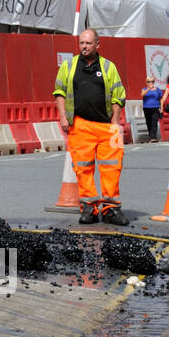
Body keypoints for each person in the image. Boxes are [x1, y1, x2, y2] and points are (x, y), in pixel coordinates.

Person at [53, 29, 127, 225]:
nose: (84, 47)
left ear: (97, 45)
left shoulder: (109, 67)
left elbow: (118, 95)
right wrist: (62, 117)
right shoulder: (68, 66)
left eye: (88, 43)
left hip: (107, 125)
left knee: (112, 167)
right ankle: (89, 208)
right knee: (82, 168)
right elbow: (59, 92)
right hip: (80, 125)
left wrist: (115, 125)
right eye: (81, 43)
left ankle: (111, 209)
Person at [140, 76, 162, 142]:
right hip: (146, 107)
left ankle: (153, 138)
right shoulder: (144, 89)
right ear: (146, 83)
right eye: (149, 81)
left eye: (152, 81)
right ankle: (151, 136)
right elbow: (142, 95)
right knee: (148, 122)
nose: (151, 83)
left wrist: (161, 107)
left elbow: (161, 99)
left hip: (155, 107)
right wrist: (148, 89)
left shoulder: (158, 90)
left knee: (154, 122)